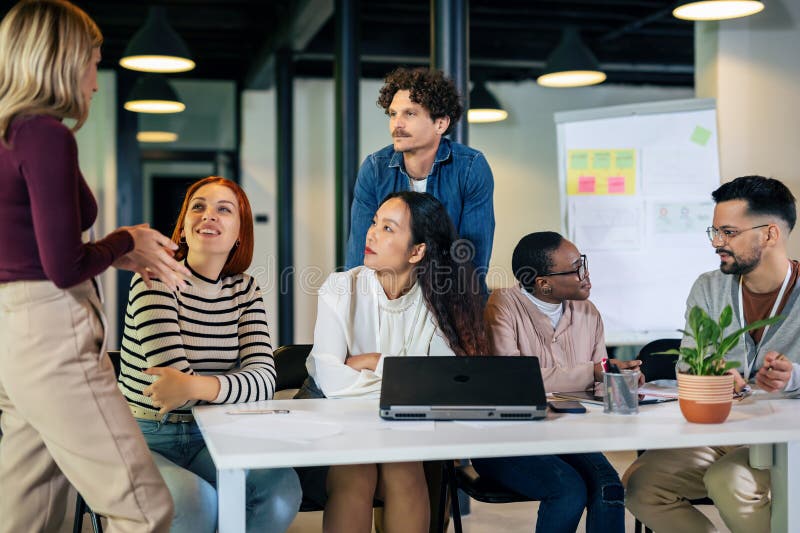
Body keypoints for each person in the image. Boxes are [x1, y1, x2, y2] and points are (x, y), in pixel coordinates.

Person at [0, 1, 190, 531]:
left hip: (15, 332)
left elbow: (28, 251)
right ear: (59, 59)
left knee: (31, 509)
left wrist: (116, 251)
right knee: (146, 510)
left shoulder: (9, 132)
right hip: (52, 333)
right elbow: (62, 266)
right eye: (92, 61)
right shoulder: (44, 135)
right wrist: (123, 238)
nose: (96, 81)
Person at [118, 176, 302, 533]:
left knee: (279, 490)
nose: (209, 216)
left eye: (224, 210)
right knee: (196, 502)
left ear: (239, 233)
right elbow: (171, 388)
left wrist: (195, 386)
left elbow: (265, 379)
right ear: (184, 229)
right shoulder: (154, 279)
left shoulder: (245, 289)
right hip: (145, 436)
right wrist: (224, 384)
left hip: (215, 431)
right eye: (198, 207)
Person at [300, 191, 487, 533]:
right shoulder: (341, 287)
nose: (371, 234)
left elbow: (444, 381)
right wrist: (406, 381)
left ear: (417, 251)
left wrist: (375, 361)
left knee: (405, 465)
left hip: (399, 423)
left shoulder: (439, 299)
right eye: (375, 223)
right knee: (356, 469)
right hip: (330, 418)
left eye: (388, 228)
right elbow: (332, 380)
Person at [624, 175, 800, 533]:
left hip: (790, 441)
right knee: (641, 486)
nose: (717, 243)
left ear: (769, 234)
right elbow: (689, 362)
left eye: (729, 233)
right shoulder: (709, 286)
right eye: (714, 232)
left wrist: (793, 375)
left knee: (728, 479)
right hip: (724, 433)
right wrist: (710, 379)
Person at [471, 231, 633, 533]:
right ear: (543, 284)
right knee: (568, 490)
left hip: (570, 438)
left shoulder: (588, 311)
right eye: (576, 269)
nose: (586, 276)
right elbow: (516, 380)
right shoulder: (503, 305)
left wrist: (619, 381)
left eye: (582, 263)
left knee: (609, 489)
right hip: (507, 443)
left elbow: (598, 386)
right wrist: (593, 372)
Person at [345, 66, 495, 292]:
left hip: (449, 297)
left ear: (440, 123)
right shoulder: (375, 169)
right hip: (387, 297)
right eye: (393, 114)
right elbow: (360, 256)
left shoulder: (470, 167)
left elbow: (471, 260)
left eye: (410, 114)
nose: (397, 124)